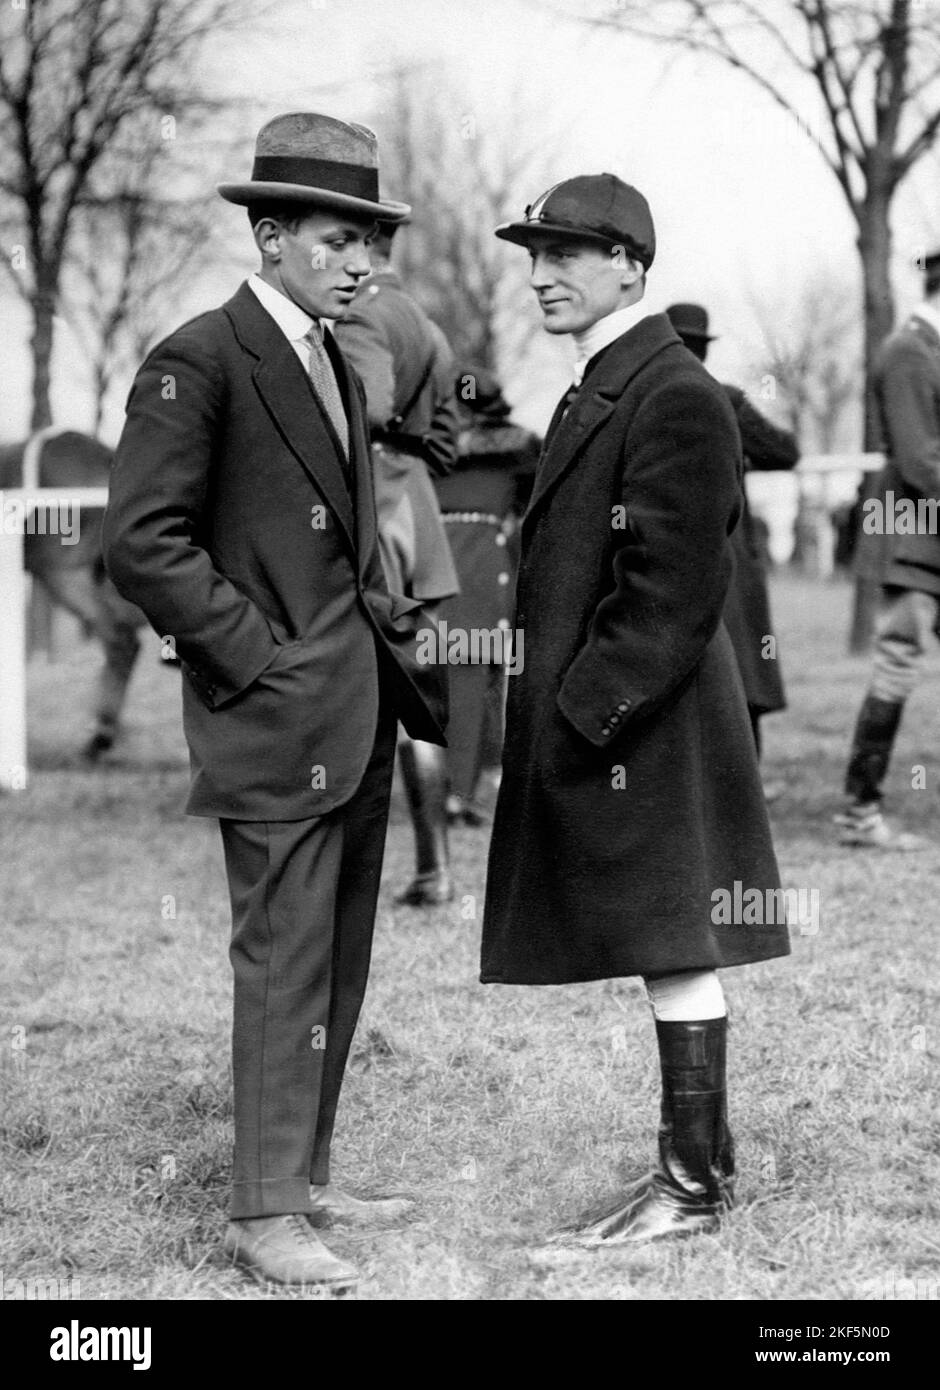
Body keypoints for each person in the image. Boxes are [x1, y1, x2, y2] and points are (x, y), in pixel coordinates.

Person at [102, 112, 447, 1292]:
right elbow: (141, 544)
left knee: (337, 959)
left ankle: (303, 1176)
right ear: (266, 233)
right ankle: (261, 1214)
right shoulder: (198, 356)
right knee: (282, 962)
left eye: (370, 239)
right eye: (339, 237)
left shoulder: (335, 357)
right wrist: (260, 657)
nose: (364, 263)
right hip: (274, 713)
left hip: (354, 716)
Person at [481, 174, 790, 1246]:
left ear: (630, 265)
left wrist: (583, 712)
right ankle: (696, 1170)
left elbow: (668, 585)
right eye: (533, 253)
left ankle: (692, 1184)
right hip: (633, 717)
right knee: (672, 938)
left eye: (565, 252)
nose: (539, 273)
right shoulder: (608, 380)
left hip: (647, 719)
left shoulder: (671, 391)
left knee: (678, 937)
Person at [334, 218, 459, 905]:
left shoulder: (359, 316)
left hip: (377, 509)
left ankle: (349, 868)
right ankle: (435, 868)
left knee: (355, 686)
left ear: (366, 247)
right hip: (421, 507)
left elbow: (368, 407)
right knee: (421, 697)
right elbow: (445, 440)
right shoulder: (426, 324)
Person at [835, 249, 940, 849]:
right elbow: (922, 463)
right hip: (912, 540)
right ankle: (859, 813)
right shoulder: (908, 352)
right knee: (897, 666)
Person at [665, 303, 799, 764]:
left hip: (663, 555)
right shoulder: (727, 401)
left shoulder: (644, 402)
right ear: (702, 350)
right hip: (728, 554)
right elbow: (786, 452)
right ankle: (743, 783)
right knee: (742, 671)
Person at [434, 366, 539, 825]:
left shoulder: (424, 448)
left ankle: (468, 786)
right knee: (477, 682)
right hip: (482, 574)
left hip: (449, 573)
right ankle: (463, 789)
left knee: (473, 683)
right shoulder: (518, 449)